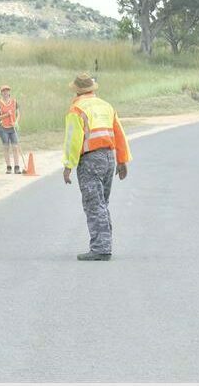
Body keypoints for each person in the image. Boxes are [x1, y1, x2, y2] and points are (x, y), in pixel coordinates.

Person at [62, 73, 131, 261]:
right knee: (102, 203)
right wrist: (122, 160)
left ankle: (101, 248)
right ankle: (104, 244)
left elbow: (73, 141)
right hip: (109, 158)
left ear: (77, 90)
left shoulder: (76, 109)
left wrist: (68, 166)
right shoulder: (106, 106)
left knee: (94, 205)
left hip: (90, 160)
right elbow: (119, 134)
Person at [0, 85, 22, 174]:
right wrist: (6, 115)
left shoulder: (14, 102)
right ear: (1, 93)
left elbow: (18, 114)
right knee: (6, 147)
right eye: (3, 91)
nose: (5, 92)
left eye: (7, 91)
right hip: (3, 128)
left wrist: (16, 122)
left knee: (15, 147)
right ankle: (8, 167)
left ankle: (17, 167)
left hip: (12, 127)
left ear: (9, 92)